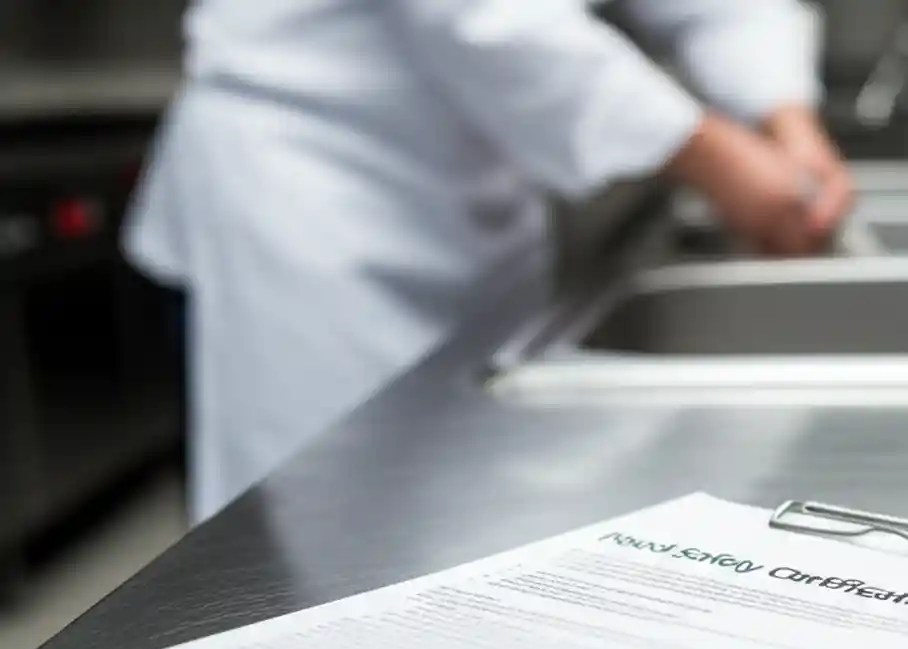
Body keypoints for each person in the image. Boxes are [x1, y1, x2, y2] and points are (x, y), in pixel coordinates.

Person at [127, 0, 855, 523]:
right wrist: (718, 157)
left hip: (470, 189)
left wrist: (786, 118)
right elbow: (491, 18)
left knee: (453, 516)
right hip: (313, 193)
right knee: (323, 527)